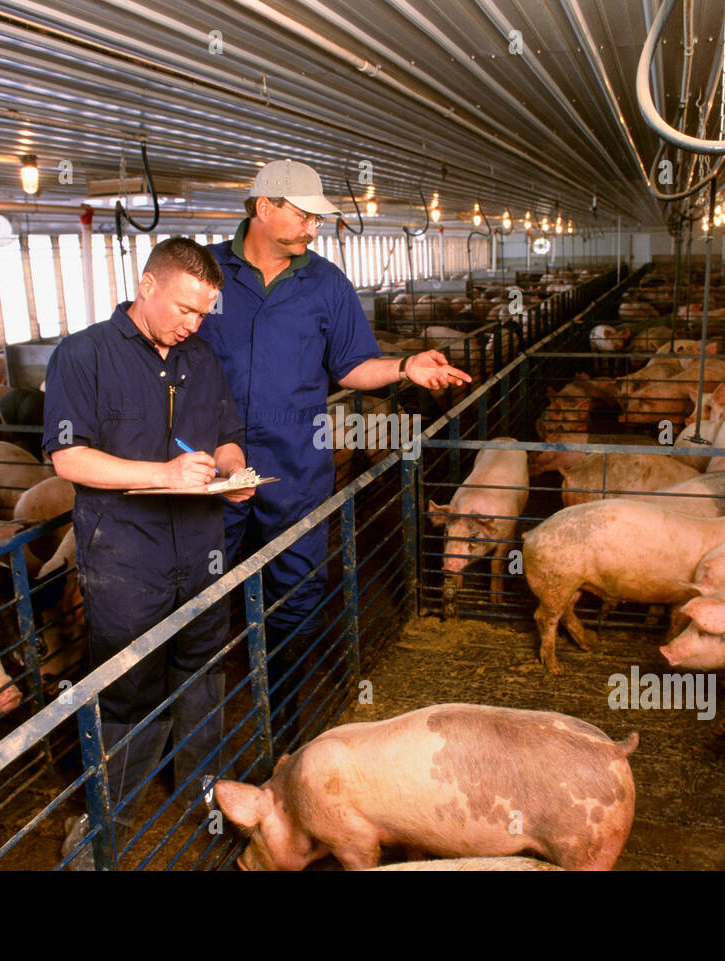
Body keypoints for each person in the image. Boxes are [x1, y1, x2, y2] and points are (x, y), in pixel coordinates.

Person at [202, 160, 469, 749]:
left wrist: (405, 367)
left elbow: (352, 367)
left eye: (317, 220)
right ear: (263, 207)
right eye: (303, 215)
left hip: (296, 459)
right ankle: (202, 718)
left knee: (297, 589)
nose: (313, 230)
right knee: (201, 587)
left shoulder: (325, 283)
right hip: (209, 465)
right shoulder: (206, 273)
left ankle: (283, 708)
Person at [43, 237, 253, 868]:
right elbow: (67, 456)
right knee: (127, 683)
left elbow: (226, 437)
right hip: (124, 558)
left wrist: (235, 472)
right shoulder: (83, 355)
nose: (193, 324)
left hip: (201, 547)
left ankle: (202, 790)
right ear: (147, 285)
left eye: (203, 313)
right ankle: (110, 814)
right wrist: (163, 475)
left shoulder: (202, 358)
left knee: (201, 669)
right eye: (185, 309)